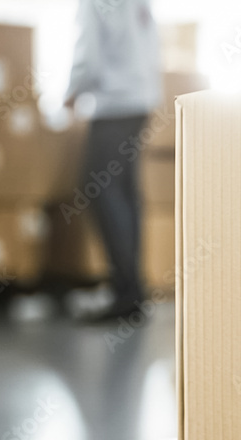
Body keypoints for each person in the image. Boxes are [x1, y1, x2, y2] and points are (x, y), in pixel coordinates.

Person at [64, 0, 162, 320]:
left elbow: (88, 55)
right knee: (125, 194)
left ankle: (125, 291)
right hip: (140, 99)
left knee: (101, 190)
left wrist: (71, 93)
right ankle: (132, 291)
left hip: (114, 102)